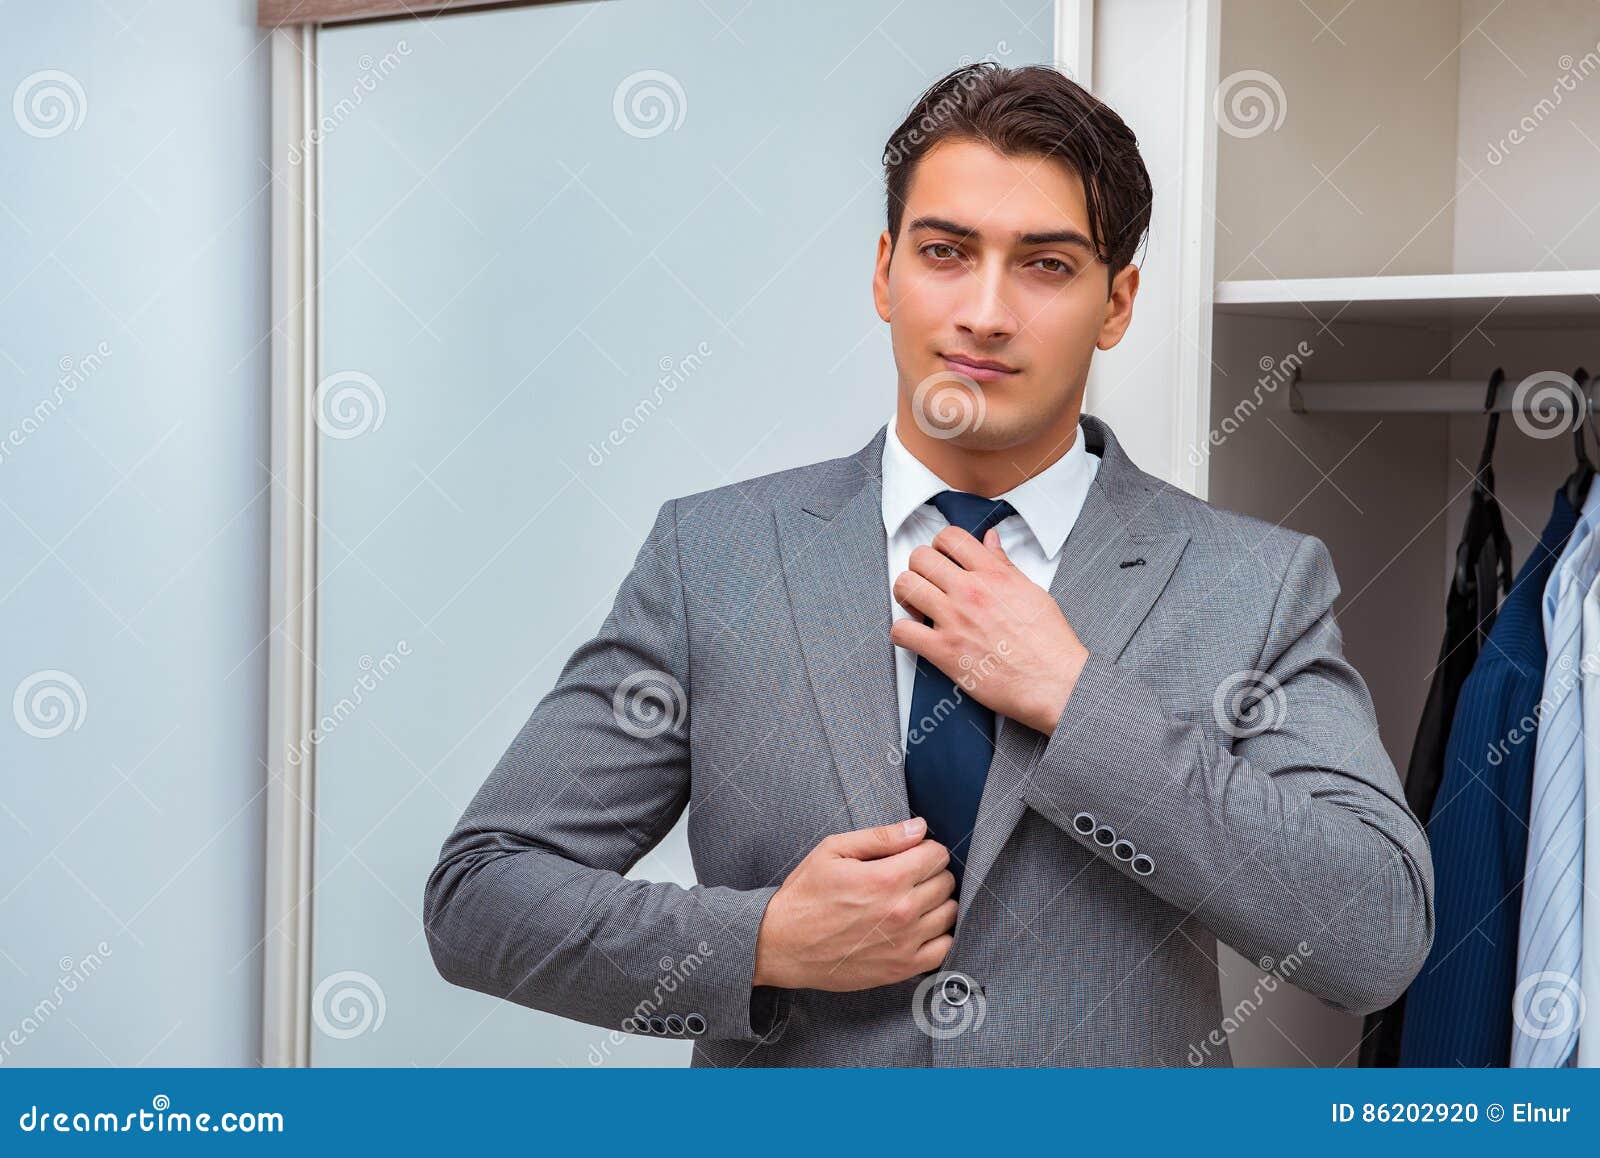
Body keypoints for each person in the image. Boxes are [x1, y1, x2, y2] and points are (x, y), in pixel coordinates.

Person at [423, 62, 1434, 1067]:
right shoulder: (714, 560)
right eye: (946, 252)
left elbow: (1375, 936)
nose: (985, 312)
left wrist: (1078, 701)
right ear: (885, 272)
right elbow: (481, 894)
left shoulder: (1253, 584)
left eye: (1045, 265)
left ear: (1116, 303)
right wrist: (764, 942)